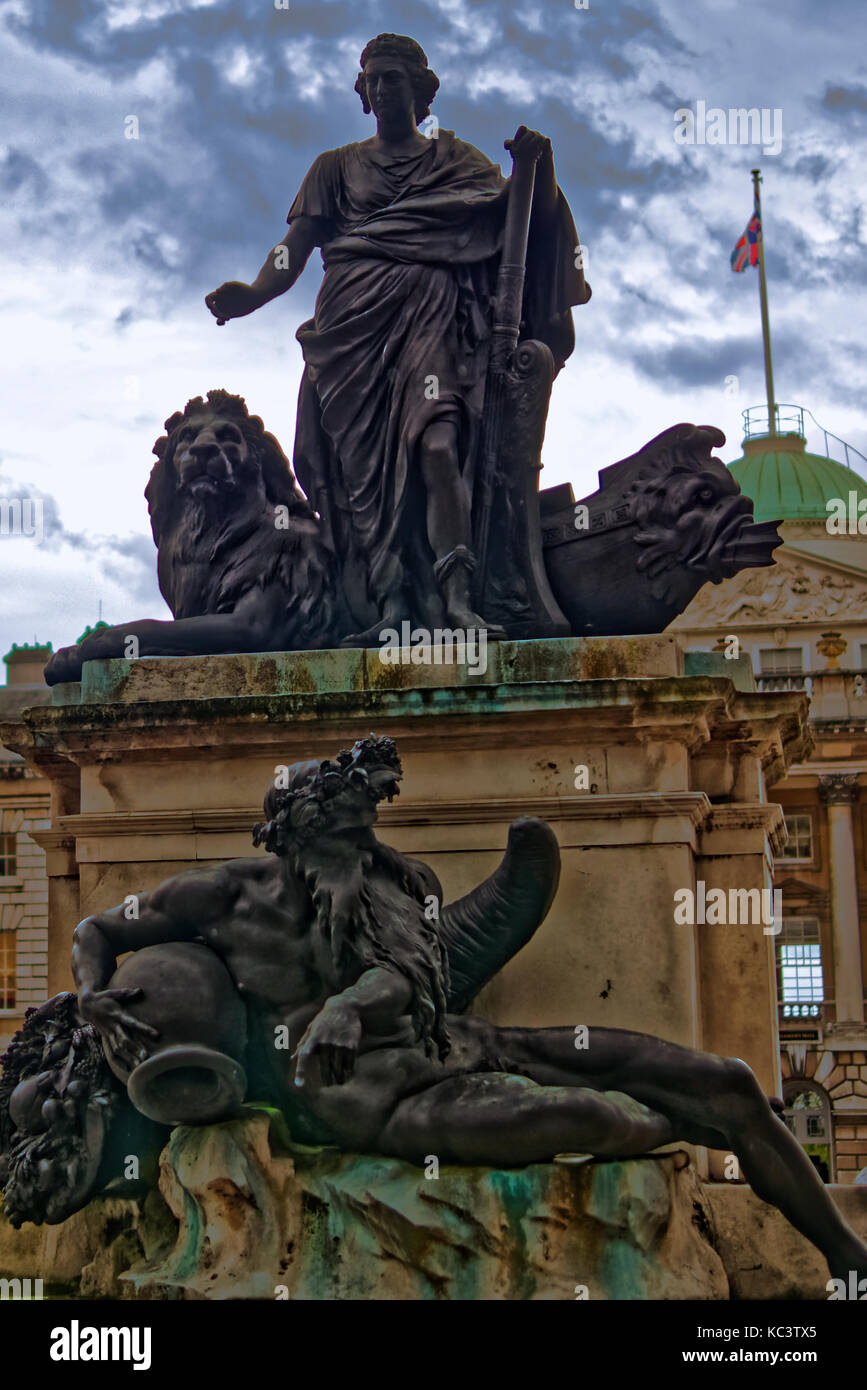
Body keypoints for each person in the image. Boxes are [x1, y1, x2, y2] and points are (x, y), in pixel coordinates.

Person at [73, 735, 867, 1284]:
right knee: (588, 1117)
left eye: (367, 836)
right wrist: (93, 1001)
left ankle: (846, 1261)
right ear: (292, 836)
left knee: (724, 1077)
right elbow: (97, 929)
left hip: (457, 1043)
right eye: (346, 839)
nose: (366, 855)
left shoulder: (401, 881)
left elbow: (410, 985)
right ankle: (680, 1121)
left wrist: (350, 1003)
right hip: (376, 1103)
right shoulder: (217, 896)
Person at [206, 33, 589, 642]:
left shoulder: (457, 162)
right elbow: (295, 250)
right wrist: (253, 293)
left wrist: (537, 171)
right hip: (352, 335)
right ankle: (393, 606)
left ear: (422, 90)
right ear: (362, 95)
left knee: (438, 448)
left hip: (432, 320)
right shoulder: (334, 168)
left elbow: (521, 214)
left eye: (394, 78)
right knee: (366, 483)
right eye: (374, 81)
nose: (383, 90)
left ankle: (460, 601)